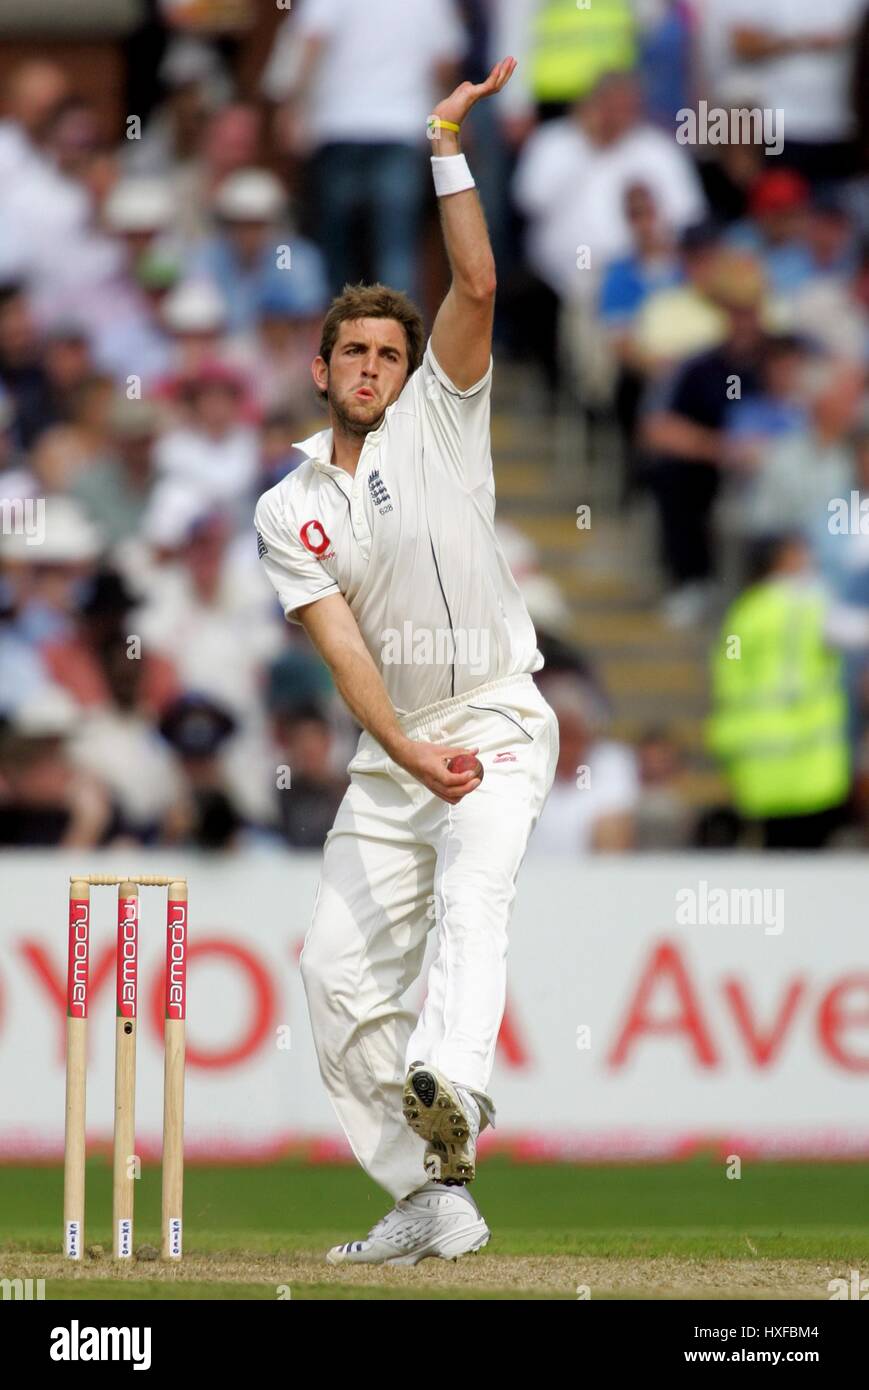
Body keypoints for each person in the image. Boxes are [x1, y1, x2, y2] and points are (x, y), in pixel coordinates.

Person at [255, 59, 559, 1267]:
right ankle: (432, 1184)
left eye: (391, 349)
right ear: (321, 370)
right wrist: (398, 750)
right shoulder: (289, 507)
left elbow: (476, 277)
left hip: (491, 719)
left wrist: (444, 140)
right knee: (332, 976)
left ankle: (449, 1079)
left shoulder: (445, 410)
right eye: (356, 354)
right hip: (396, 749)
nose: (376, 367)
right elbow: (339, 649)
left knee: (473, 900)